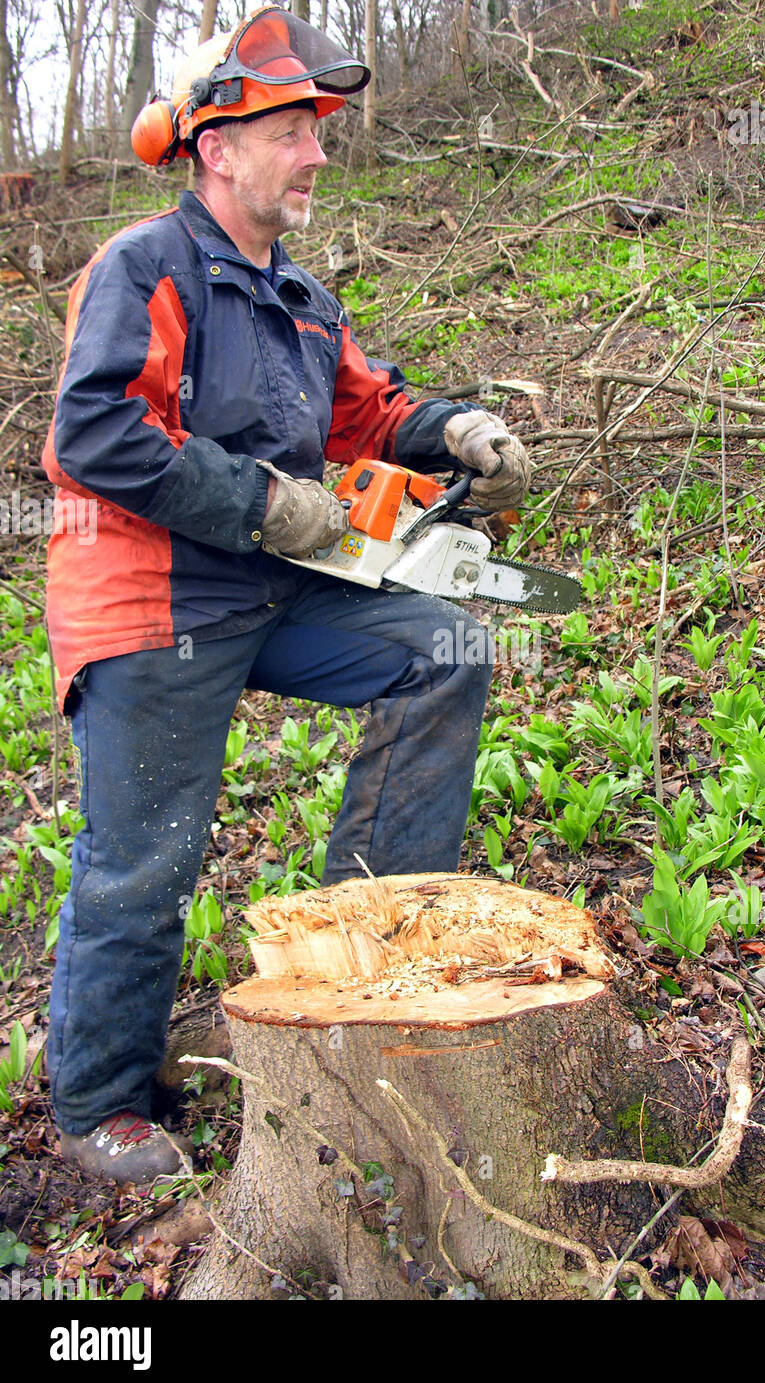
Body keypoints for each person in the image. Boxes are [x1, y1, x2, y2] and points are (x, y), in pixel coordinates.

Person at [41, 5, 530, 1185]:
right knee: (146, 858)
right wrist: (261, 502)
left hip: (267, 591)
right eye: (294, 132)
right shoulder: (143, 267)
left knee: (445, 647)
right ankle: (98, 1097)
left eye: (317, 131)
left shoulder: (300, 297)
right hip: (150, 598)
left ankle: (359, 948)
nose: (317, 153)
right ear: (218, 146)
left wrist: (453, 424)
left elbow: (366, 409)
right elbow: (96, 431)